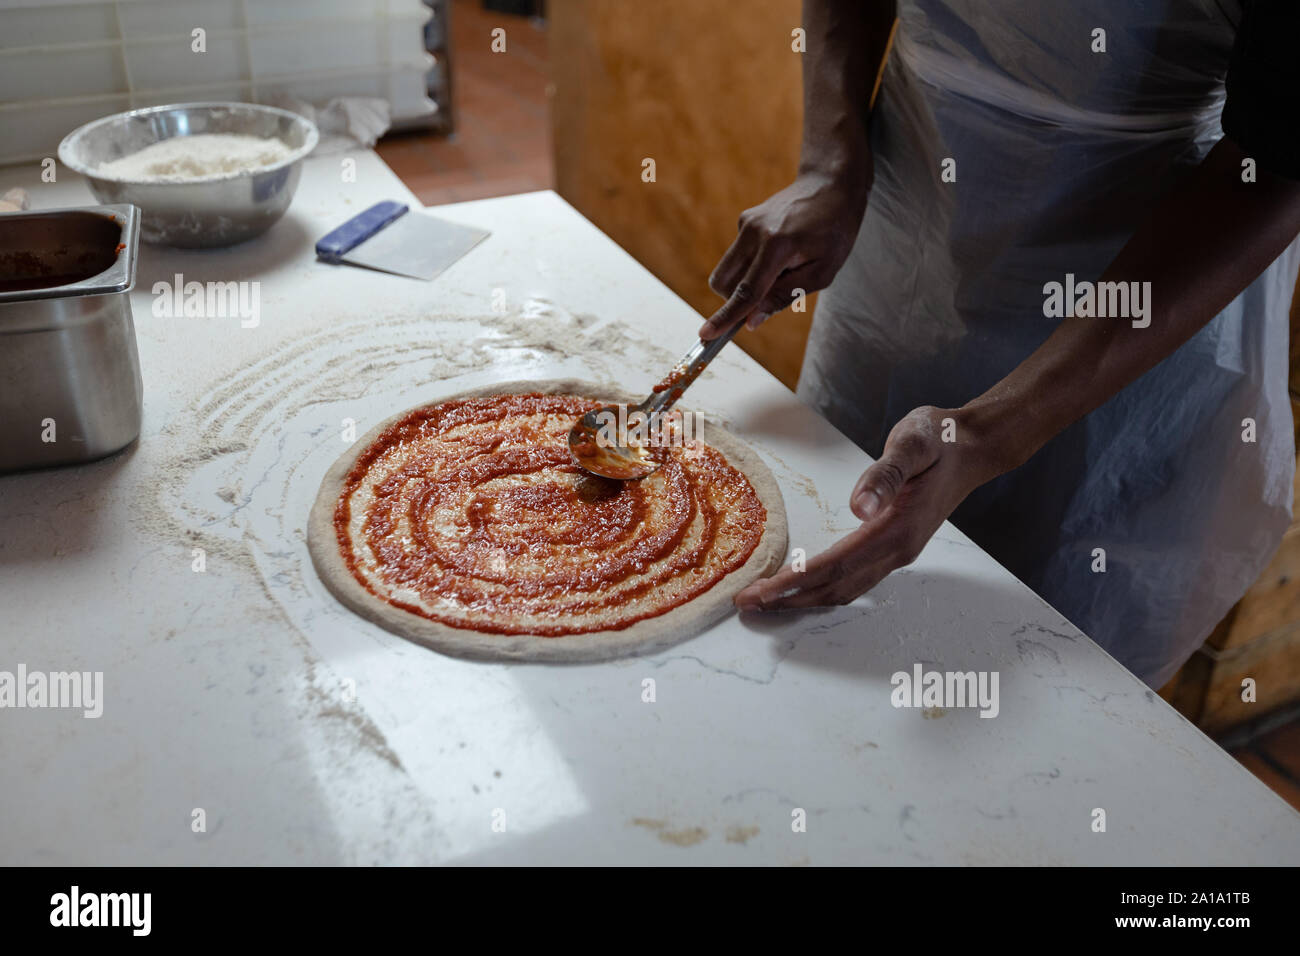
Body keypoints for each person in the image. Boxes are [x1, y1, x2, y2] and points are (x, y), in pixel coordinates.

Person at [714, 0, 1300, 687]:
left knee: (1033, 671)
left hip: (1134, 302)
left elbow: (1274, 165)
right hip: (908, 212)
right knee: (823, 603)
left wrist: (993, 435)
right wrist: (829, 163)